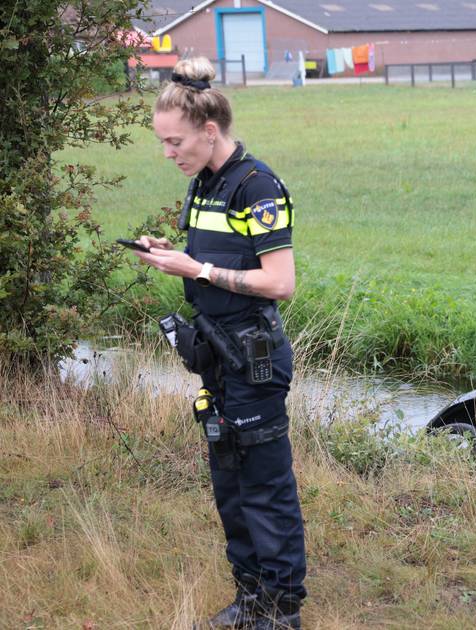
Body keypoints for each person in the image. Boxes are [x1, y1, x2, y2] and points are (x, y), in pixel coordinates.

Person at [130, 57, 306, 629]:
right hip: (215, 358)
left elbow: (280, 283)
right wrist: (170, 253)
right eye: (162, 142)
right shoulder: (203, 185)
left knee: (265, 488)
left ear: (210, 131)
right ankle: (250, 598)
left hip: (253, 358)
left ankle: (281, 612)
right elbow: (217, 256)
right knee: (230, 486)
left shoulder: (257, 186)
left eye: (174, 141)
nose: (168, 153)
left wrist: (198, 270)